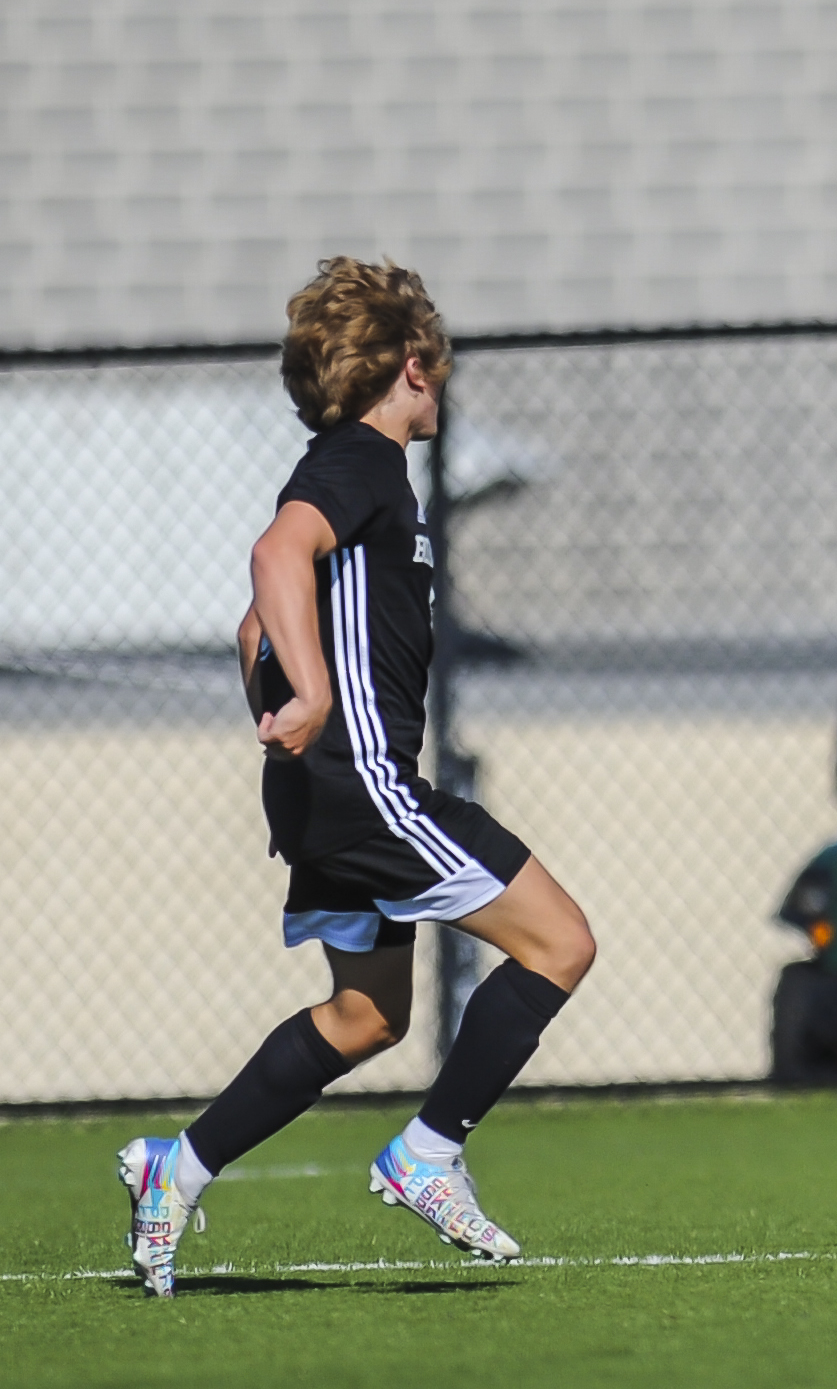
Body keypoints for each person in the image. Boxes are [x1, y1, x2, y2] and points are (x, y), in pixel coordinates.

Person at [117, 257, 598, 1297]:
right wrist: (322, 703)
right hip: (367, 781)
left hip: (320, 790)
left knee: (366, 1014)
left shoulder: (362, 468)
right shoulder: (362, 462)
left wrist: (280, 693)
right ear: (414, 366)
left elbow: (257, 622)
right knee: (561, 942)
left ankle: (178, 1164)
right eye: (441, 365)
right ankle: (427, 1151)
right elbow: (274, 557)